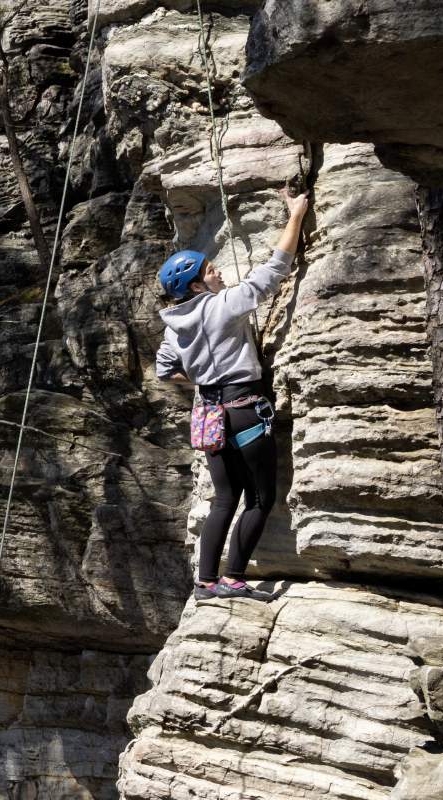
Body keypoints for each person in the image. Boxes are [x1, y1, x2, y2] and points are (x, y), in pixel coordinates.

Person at [154, 187, 311, 601]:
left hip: (209, 413)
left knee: (225, 498)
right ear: (195, 284)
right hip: (245, 410)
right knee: (260, 497)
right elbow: (274, 270)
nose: (218, 272)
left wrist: (201, 381)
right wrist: (295, 215)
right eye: (210, 270)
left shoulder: (173, 328)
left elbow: (164, 370)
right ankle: (234, 578)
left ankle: (206, 582)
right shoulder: (222, 304)